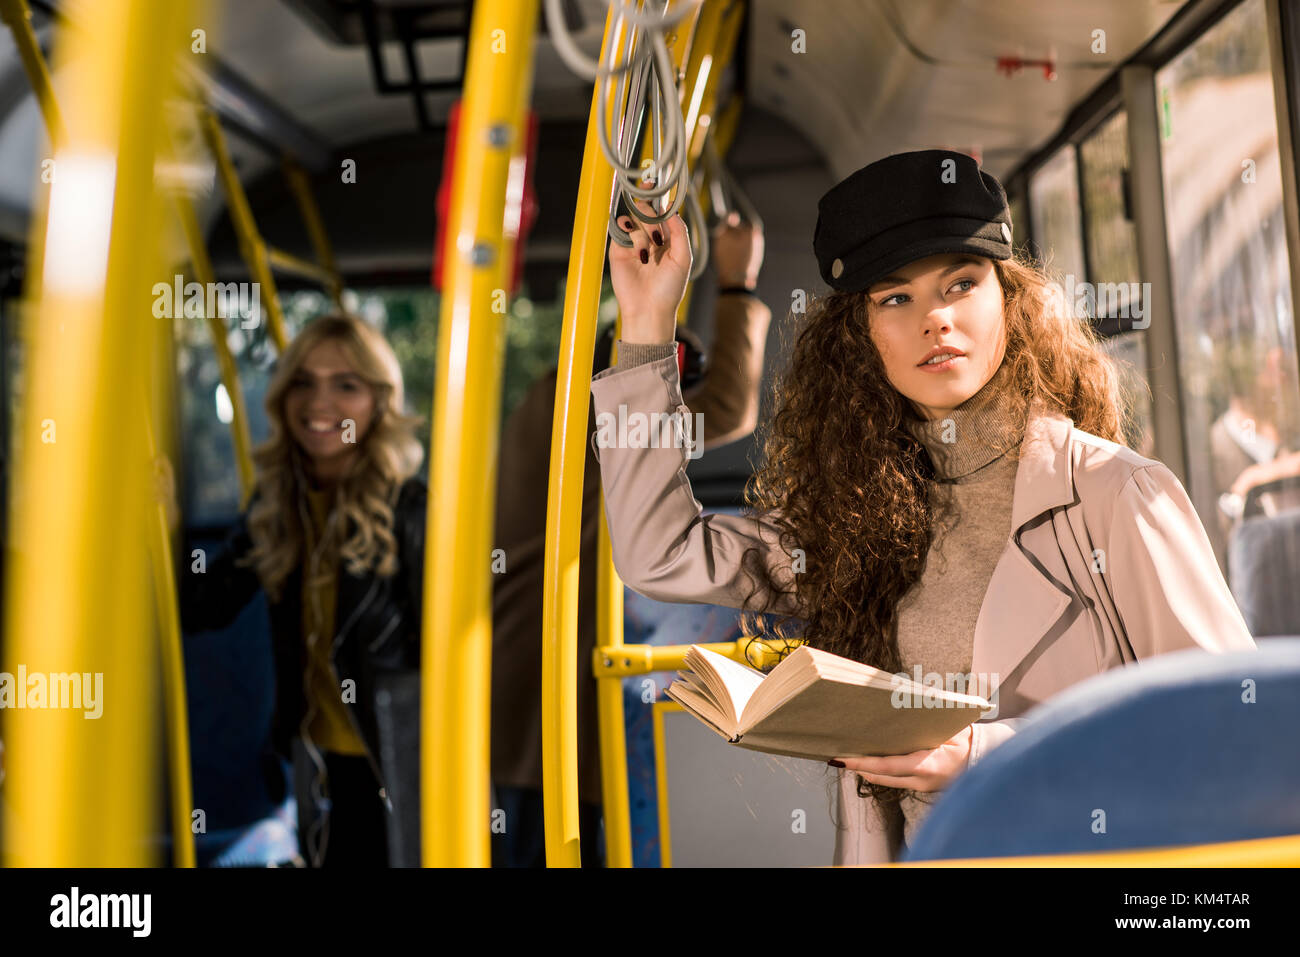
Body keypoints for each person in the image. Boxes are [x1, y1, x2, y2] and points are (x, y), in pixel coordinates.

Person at [589, 149, 1257, 865]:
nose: (935, 320)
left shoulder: (1118, 495)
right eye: (895, 298)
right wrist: (648, 321)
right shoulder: (850, 518)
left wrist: (983, 753)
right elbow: (658, 551)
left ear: (1011, 297)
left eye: (961, 284)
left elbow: (1234, 732)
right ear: (860, 338)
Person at [490, 210, 771, 867]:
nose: (675, 400)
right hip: (542, 691)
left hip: (536, 682)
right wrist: (737, 280)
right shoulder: (583, 406)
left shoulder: (560, 401)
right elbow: (728, 406)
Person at [179, 313, 427, 868]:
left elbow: (448, 654)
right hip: (314, 765)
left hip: (396, 764)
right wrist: (162, 522)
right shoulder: (276, 510)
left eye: (346, 384)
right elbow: (200, 608)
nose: (320, 403)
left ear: (380, 401)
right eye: (304, 382)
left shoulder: (412, 512)